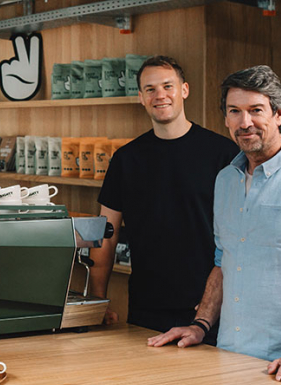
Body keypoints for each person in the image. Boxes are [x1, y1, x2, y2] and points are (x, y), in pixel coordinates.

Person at [149, 65, 281, 383]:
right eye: (235, 111)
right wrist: (201, 324)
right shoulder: (225, 180)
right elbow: (224, 261)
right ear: (225, 118)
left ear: (279, 114)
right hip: (228, 355)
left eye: (255, 110)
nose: (244, 122)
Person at [90, 55, 239, 337]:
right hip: (147, 307)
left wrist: (215, 303)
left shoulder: (223, 154)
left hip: (207, 309)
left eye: (168, 86)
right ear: (141, 97)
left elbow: (241, 237)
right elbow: (106, 234)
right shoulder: (126, 159)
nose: (160, 95)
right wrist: (98, 299)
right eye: (150, 89)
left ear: (184, 90)